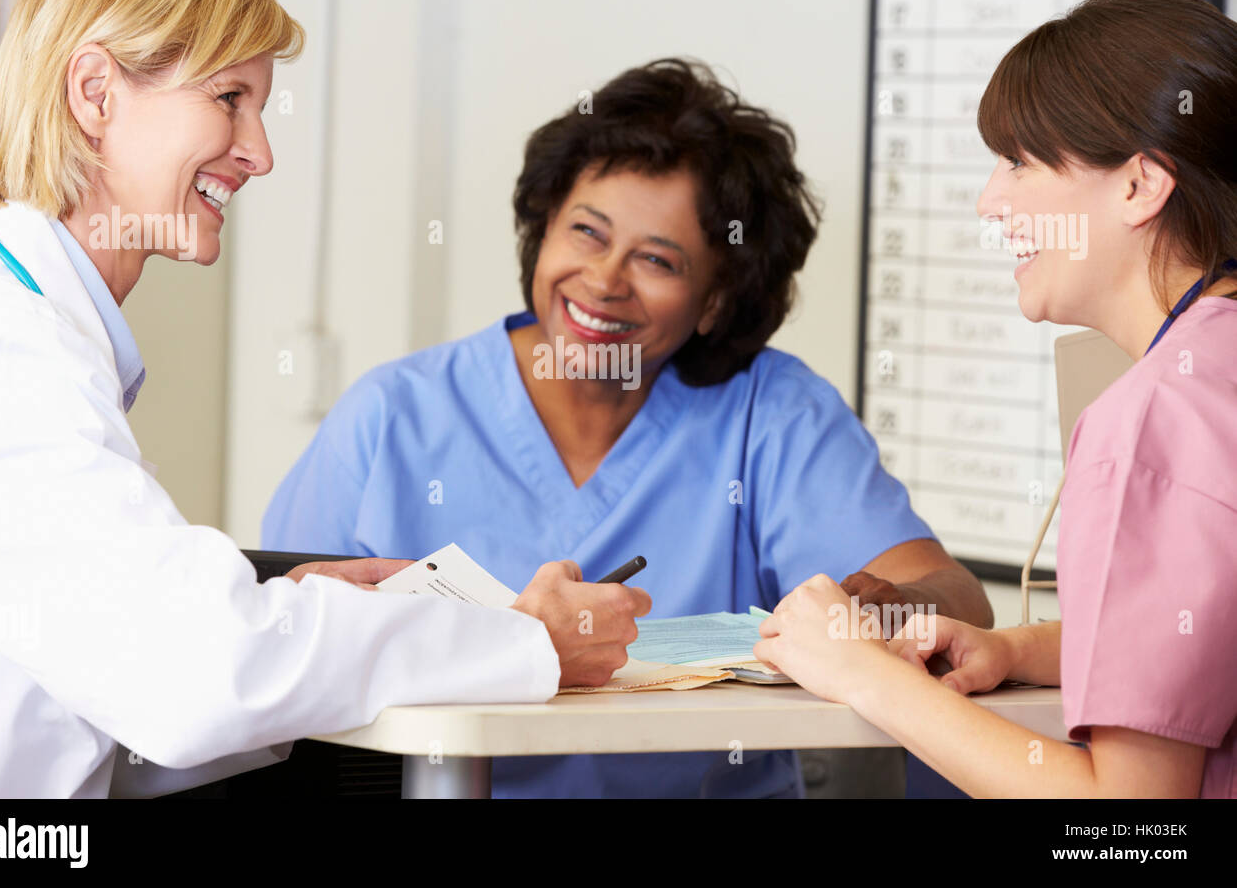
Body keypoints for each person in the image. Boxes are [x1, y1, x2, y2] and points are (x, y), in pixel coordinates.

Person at [0, 0, 647, 798]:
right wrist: (528, 643)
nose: (259, 153)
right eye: (229, 97)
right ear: (95, 92)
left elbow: (112, 688)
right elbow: (190, 677)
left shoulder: (23, 331)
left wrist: (286, 604)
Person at [263, 57, 994, 798]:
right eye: (586, 232)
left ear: (714, 301)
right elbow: (284, 643)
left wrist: (876, 613)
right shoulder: (393, 414)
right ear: (544, 229)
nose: (605, 280)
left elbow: (957, 599)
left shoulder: (772, 412)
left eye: (656, 259)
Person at [756, 0, 1237, 798]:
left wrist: (862, 675)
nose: (991, 201)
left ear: (1139, 187)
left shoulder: (1149, 421)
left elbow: (1130, 833)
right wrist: (1019, 649)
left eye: (1020, 162)